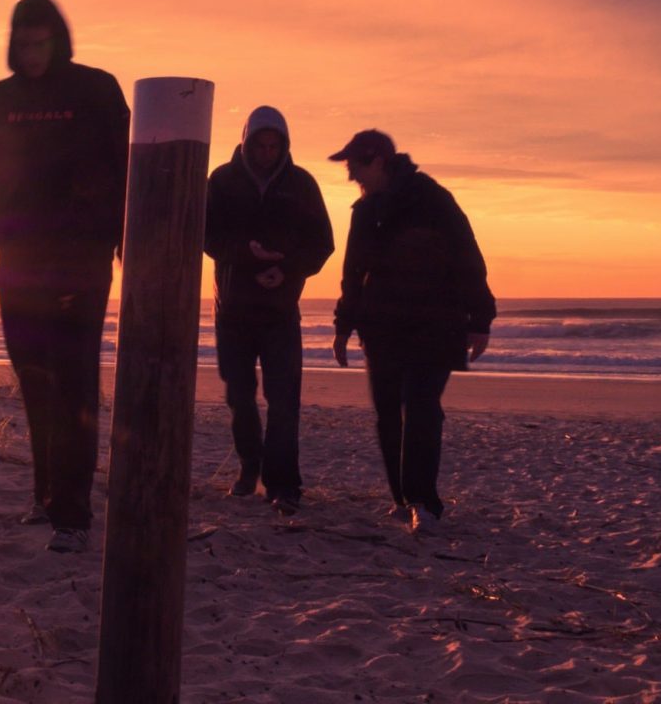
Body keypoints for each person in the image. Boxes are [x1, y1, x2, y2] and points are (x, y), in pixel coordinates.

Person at [0, 0, 129, 555]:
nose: (33, 54)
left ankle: (75, 515)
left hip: (78, 264)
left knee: (73, 386)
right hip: (15, 262)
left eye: (41, 43)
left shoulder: (95, 90)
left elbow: (125, 170)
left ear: (57, 41)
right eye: (23, 44)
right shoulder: (2, 98)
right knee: (35, 382)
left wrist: (127, 247)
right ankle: (45, 498)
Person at [328, 129, 495, 535]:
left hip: (434, 326)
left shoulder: (432, 198)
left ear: (378, 160)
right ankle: (403, 500)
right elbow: (352, 274)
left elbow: (467, 255)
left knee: (420, 408)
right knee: (388, 414)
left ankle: (426, 502)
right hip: (382, 328)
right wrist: (343, 325)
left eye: (356, 167)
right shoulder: (364, 211)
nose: (352, 177)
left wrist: (480, 320)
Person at [204, 106, 334, 516]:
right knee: (239, 397)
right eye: (258, 144)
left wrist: (288, 267)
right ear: (245, 141)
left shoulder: (301, 184)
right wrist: (246, 253)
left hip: (280, 310)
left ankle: (283, 484)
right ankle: (249, 468)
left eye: (272, 145)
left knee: (284, 401)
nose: (265, 152)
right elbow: (206, 235)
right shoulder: (222, 181)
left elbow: (322, 243)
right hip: (233, 309)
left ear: (283, 144)